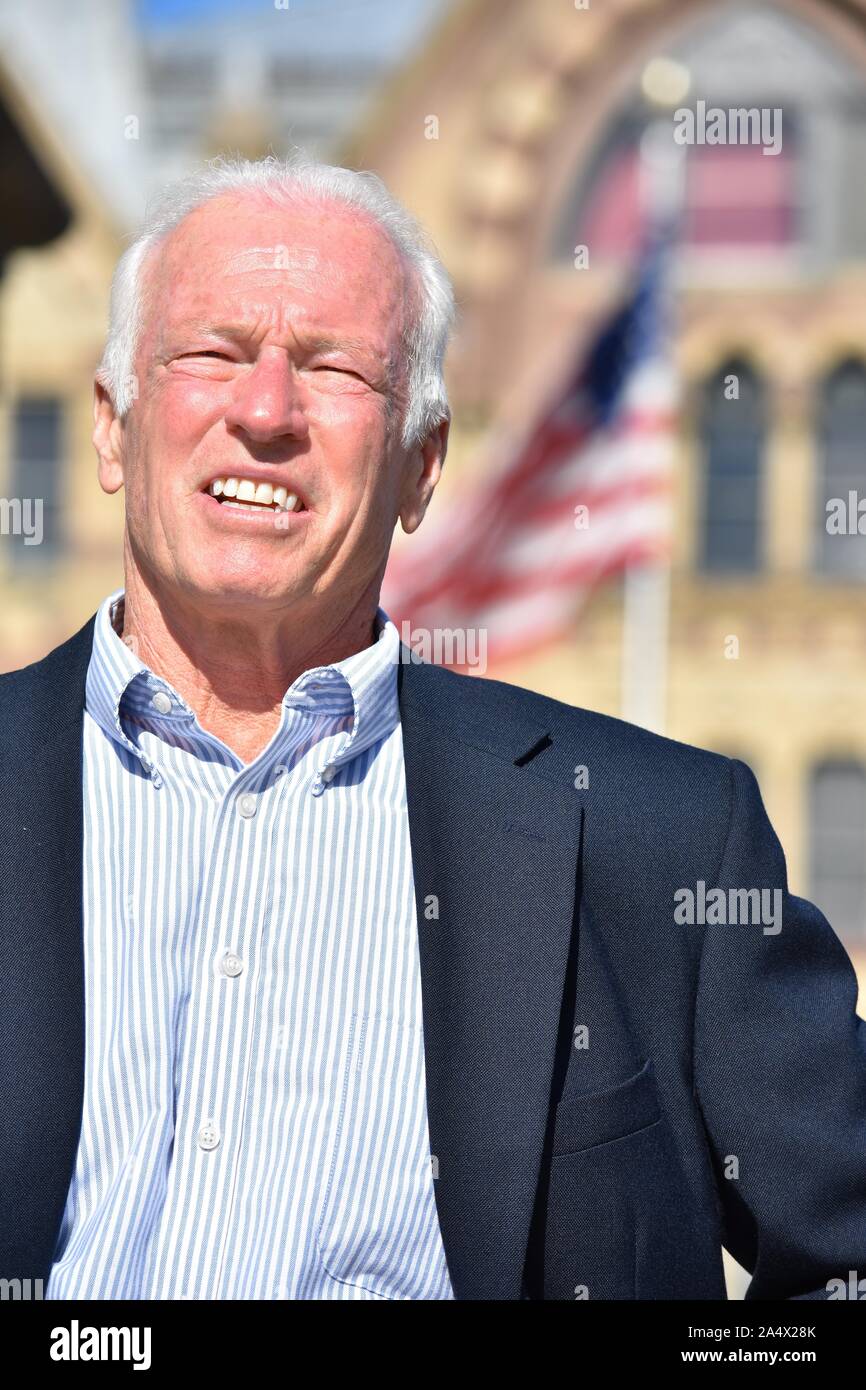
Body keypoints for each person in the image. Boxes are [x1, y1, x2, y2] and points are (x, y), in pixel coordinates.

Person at [1, 153, 864, 1301]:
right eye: (210, 352)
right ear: (111, 427)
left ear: (419, 467)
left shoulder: (656, 842)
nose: (265, 412)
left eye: (336, 368)